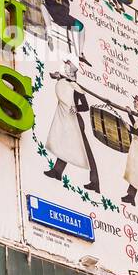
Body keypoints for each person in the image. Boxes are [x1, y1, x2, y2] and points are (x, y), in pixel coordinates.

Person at [43, 60, 100, 192]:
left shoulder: (76, 87)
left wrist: (76, 108)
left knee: (86, 151)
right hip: (66, 118)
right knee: (64, 144)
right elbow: (60, 81)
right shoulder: (65, 82)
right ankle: (57, 172)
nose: (65, 69)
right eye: (65, 67)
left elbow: (85, 106)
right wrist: (58, 76)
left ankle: (95, 181)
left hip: (76, 120)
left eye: (68, 68)